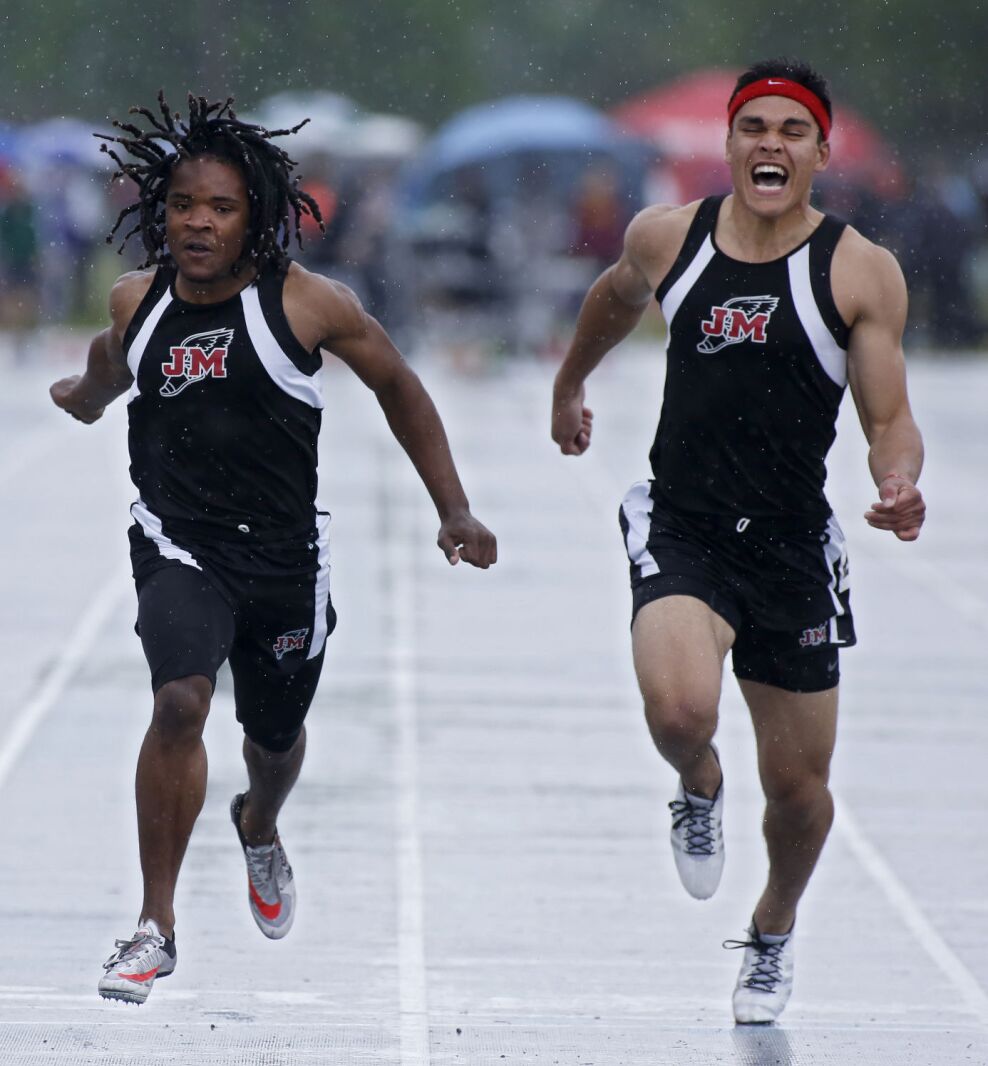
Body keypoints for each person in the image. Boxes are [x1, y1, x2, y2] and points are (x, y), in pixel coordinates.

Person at [50, 94, 497, 1005]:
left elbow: (402, 388)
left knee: (274, 740)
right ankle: (154, 927)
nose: (198, 223)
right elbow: (109, 365)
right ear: (159, 211)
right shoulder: (137, 300)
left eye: (218, 207)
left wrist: (453, 508)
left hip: (286, 560)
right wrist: (83, 396)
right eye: (182, 206)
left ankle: (259, 821)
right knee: (180, 702)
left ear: (252, 211)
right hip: (178, 542)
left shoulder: (308, 303)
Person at [551, 59, 925, 1024]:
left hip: (794, 548)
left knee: (799, 798)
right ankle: (697, 783)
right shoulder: (668, 236)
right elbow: (616, 295)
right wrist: (570, 382)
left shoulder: (858, 270)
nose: (770, 144)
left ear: (819, 151)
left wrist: (899, 479)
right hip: (685, 524)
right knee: (680, 713)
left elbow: (890, 415)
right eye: (752, 128)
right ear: (728, 144)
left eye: (791, 131)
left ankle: (771, 932)